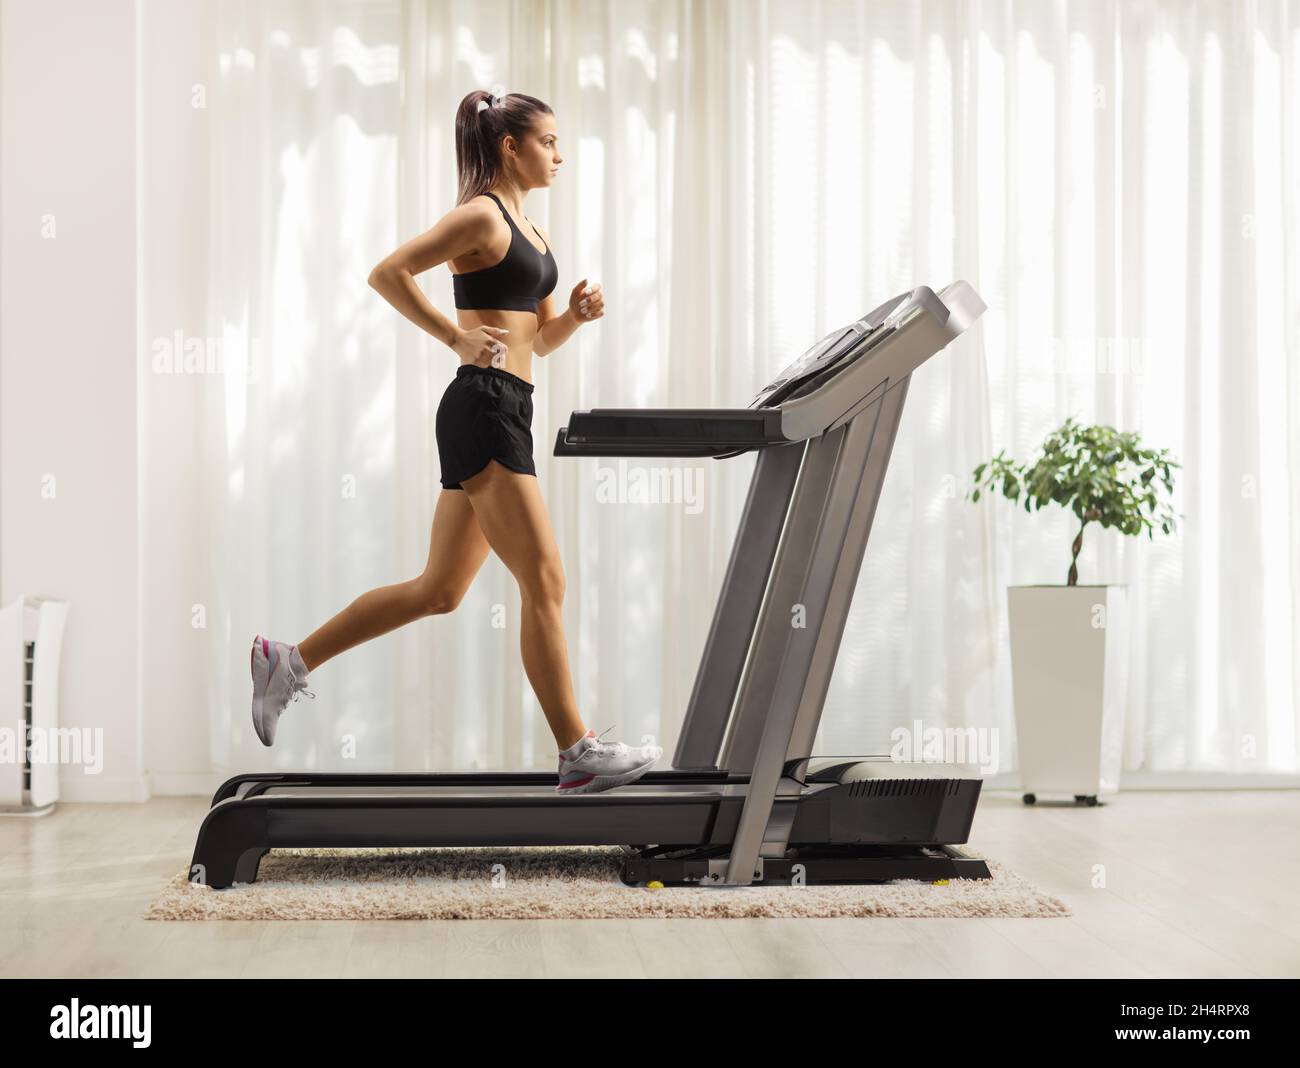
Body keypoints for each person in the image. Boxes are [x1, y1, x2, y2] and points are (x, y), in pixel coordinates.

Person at [250, 89, 661, 795]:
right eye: (549, 142)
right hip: (483, 406)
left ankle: (287, 660)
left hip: (508, 403)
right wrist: (454, 337)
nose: (559, 155)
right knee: (547, 578)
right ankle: (577, 751)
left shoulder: (532, 232)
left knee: (439, 591)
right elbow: (388, 272)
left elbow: (538, 340)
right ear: (511, 147)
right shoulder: (481, 215)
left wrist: (577, 319)